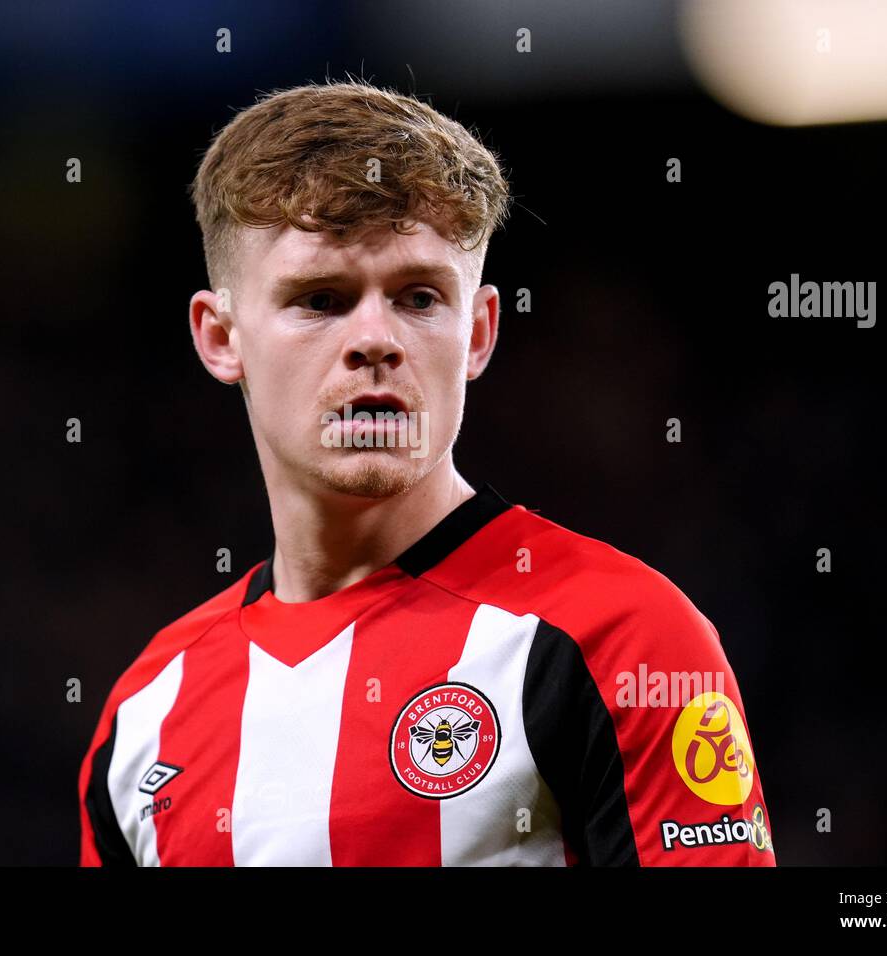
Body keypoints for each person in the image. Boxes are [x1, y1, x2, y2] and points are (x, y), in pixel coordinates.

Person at [79, 79, 774, 866]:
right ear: (220, 337)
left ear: (477, 334)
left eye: (417, 297)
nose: (375, 338)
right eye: (321, 299)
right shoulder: (146, 714)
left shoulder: (624, 638)